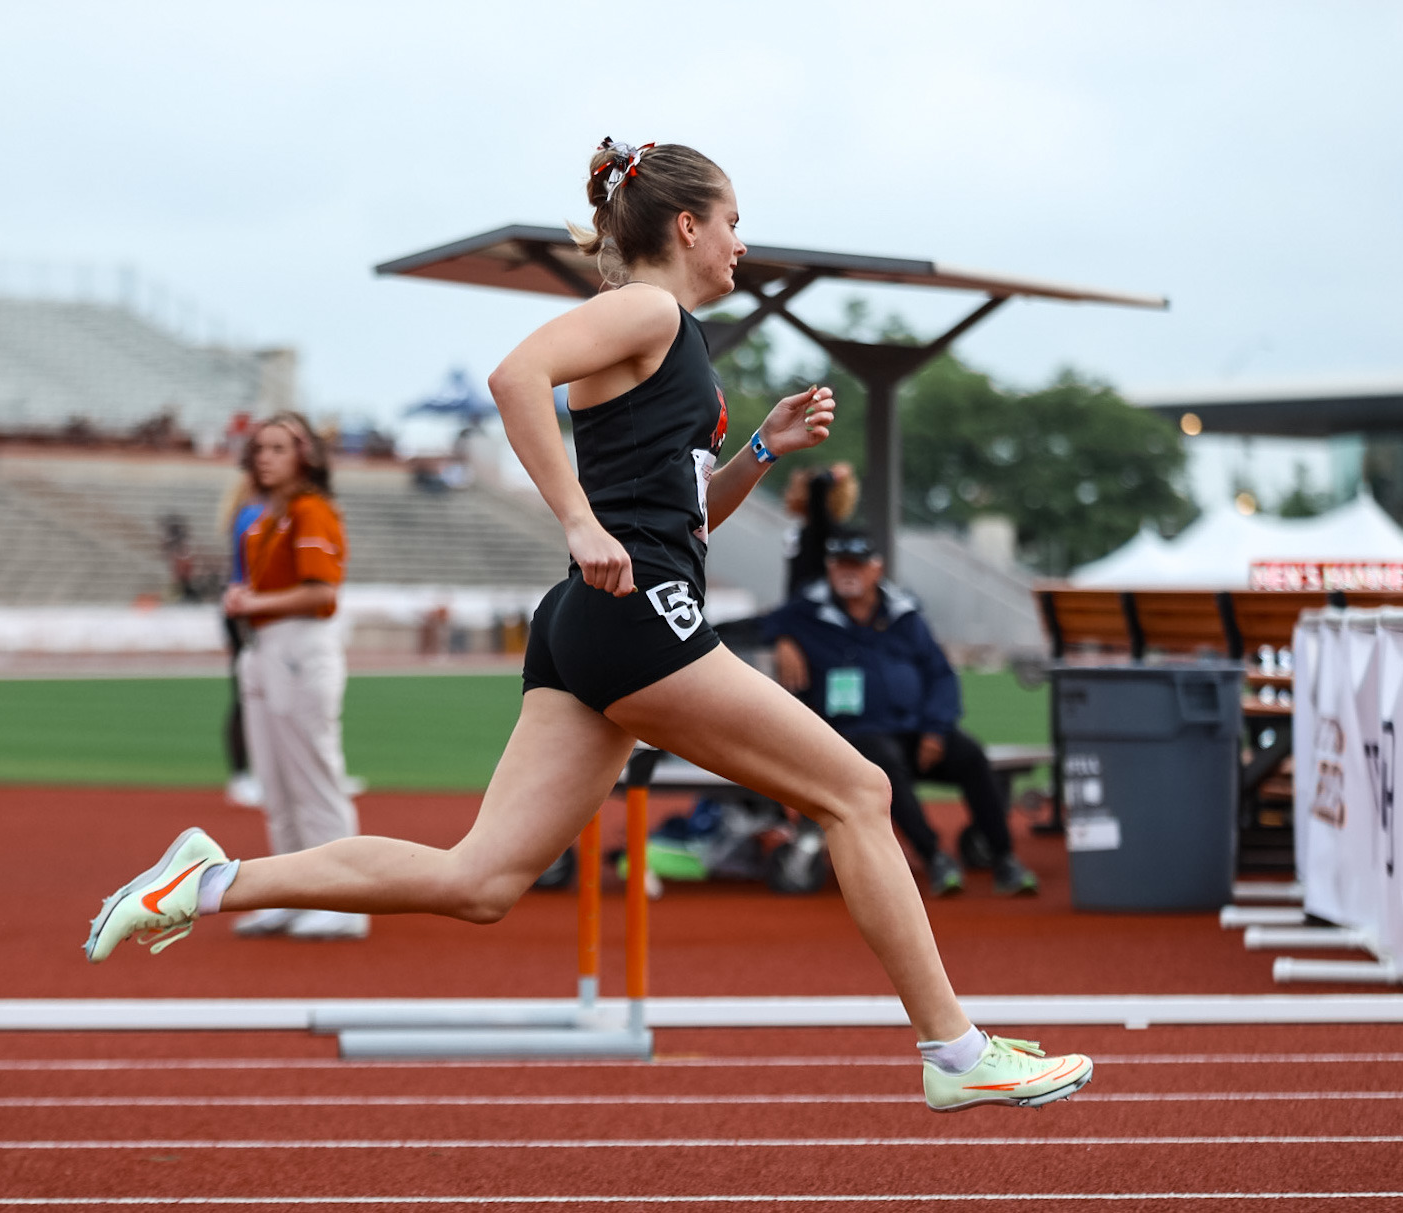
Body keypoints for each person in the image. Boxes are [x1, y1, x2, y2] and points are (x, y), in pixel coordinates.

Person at [84, 138, 1091, 1112]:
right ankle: (955, 1050)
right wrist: (575, 517)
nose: (743, 243)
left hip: (593, 616)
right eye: (735, 223)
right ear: (689, 225)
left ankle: (210, 881)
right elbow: (516, 376)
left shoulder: (669, 335)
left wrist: (758, 451)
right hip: (633, 610)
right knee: (859, 791)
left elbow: (687, 515)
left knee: (478, 879)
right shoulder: (645, 308)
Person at [766, 530, 1039, 898]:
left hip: (917, 732)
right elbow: (756, 626)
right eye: (840, 565)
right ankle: (934, 856)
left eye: (857, 565)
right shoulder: (805, 613)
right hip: (853, 738)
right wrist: (781, 639)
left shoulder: (905, 615)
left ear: (876, 569)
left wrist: (937, 731)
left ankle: (1004, 857)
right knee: (883, 763)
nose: (849, 572)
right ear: (829, 569)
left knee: (971, 755)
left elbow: (941, 675)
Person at [220, 412, 368, 941]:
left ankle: (344, 900)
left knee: (313, 777)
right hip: (265, 646)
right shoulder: (264, 516)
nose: (265, 456)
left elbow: (322, 593)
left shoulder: (311, 511)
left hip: (299, 644)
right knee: (276, 784)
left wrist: (254, 600)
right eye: (260, 447)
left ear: (304, 456)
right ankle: (288, 893)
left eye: (279, 447)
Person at [216, 449, 268, 810]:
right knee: (247, 695)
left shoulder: (248, 511)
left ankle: (251, 774)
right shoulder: (254, 514)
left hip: (250, 608)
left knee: (257, 695)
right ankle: (240, 775)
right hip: (248, 611)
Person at [782, 461, 857, 599]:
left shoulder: (824, 529)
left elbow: (818, 485)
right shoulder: (807, 529)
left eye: (795, 488)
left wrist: (834, 475)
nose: (787, 492)